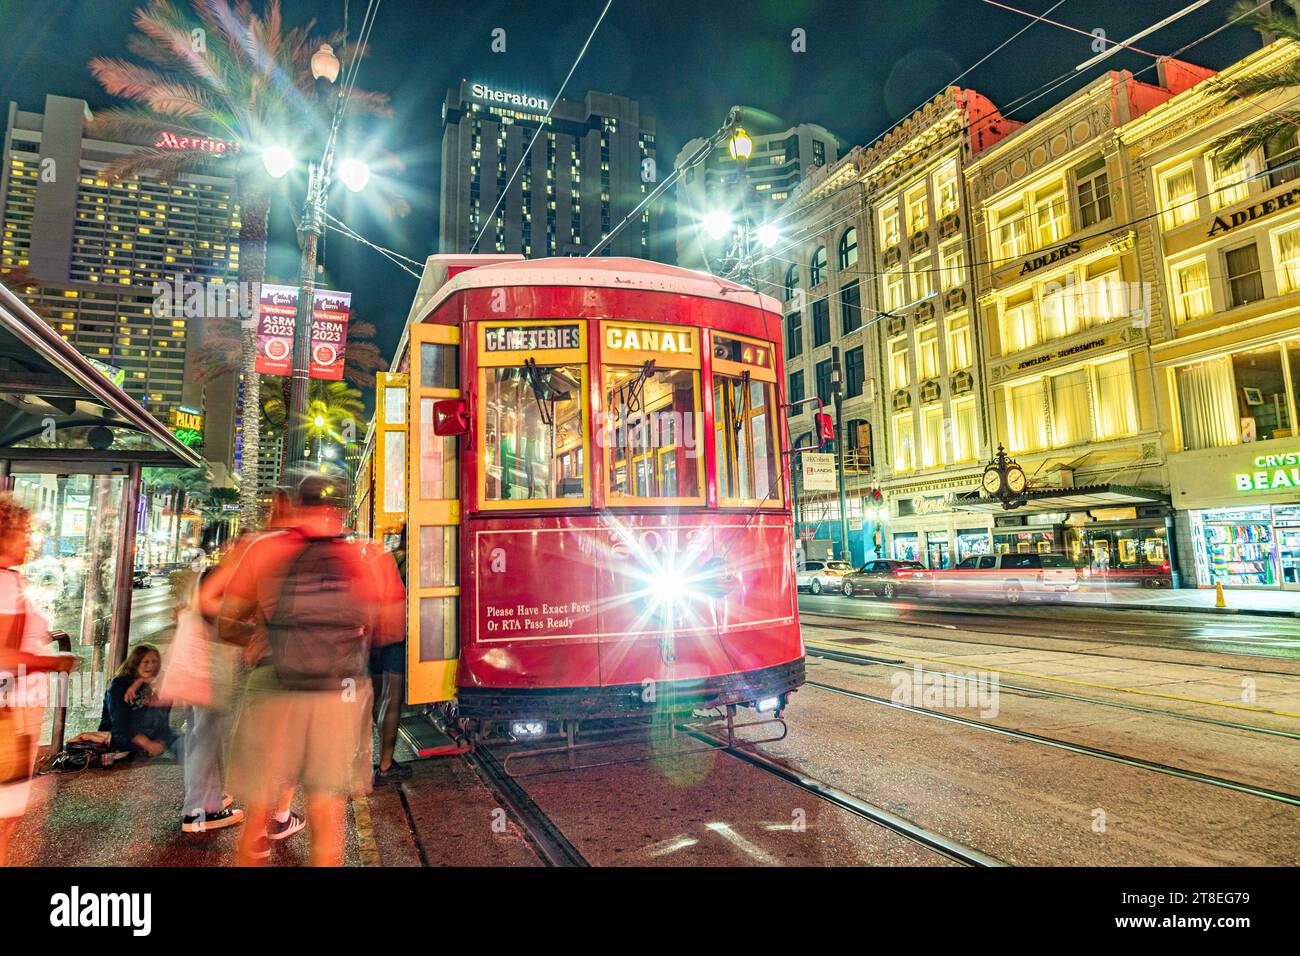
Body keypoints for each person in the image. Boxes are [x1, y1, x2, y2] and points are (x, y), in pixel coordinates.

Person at [219, 476, 404, 866]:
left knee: (258, 813)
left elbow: (225, 623)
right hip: (338, 692)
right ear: (343, 508)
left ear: (296, 504)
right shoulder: (367, 556)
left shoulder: (264, 549)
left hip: (273, 688)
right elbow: (392, 628)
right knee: (326, 810)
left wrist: (266, 636)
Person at [197, 491, 302, 851]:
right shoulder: (271, 547)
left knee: (266, 748)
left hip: (262, 665)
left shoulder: (262, 546)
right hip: (274, 666)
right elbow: (214, 607)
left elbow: (216, 609)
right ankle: (276, 819)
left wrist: (257, 635)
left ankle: (265, 826)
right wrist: (262, 635)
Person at [0, 495, 76, 866]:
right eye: (23, 533)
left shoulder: (10, 580)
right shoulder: (5, 584)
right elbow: (3, 656)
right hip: (7, 713)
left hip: (9, 710)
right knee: (5, 817)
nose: (29, 541)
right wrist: (54, 662)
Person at [370, 532, 409, 785]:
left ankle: (365, 760)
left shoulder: (383, 558)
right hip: (395, 636)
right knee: (393, 700)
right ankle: (385, 764)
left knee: (374, 698)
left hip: (372, 637)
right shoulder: (412, 563)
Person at [101, 644, 178, 758]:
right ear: (135, 663)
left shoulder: (158, 685)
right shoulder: (119, 685)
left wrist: (161, 742)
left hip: (150, 736)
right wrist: (147, 744)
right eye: (146, 662)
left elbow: (163, 723)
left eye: (154, 661)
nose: (150, 666)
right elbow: (120, 724)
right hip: (121, 736)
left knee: (184, 743)